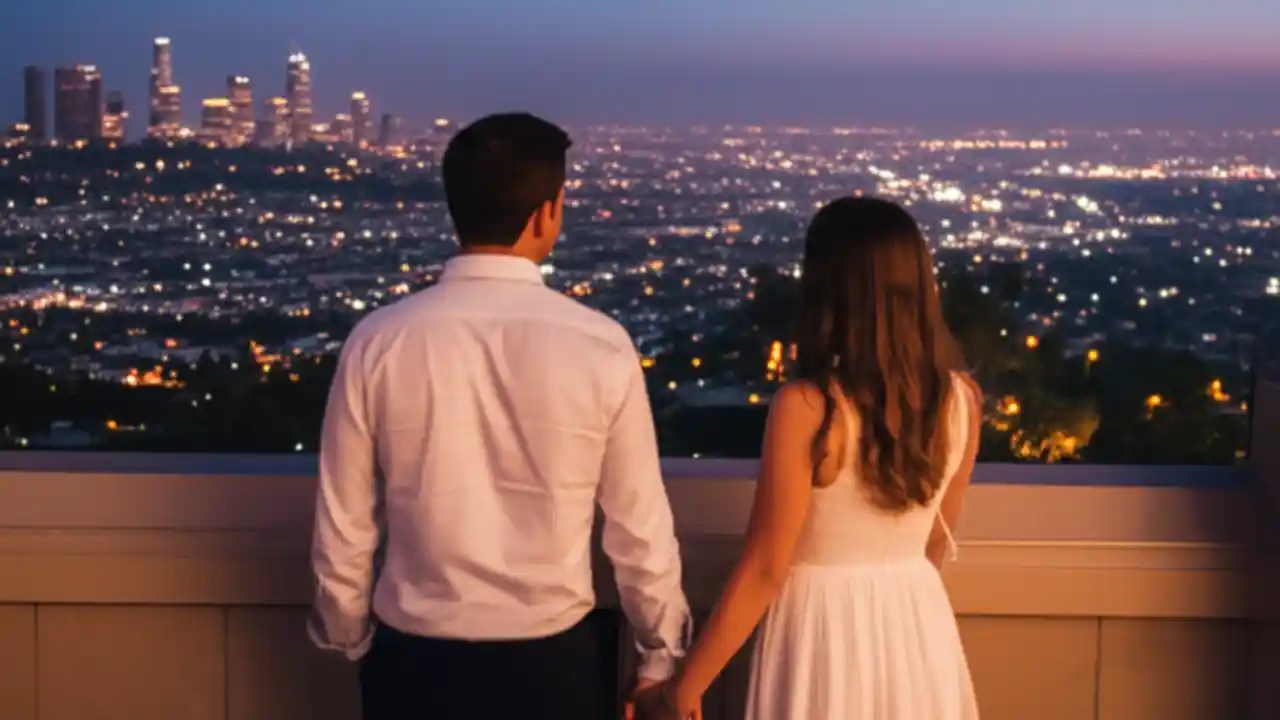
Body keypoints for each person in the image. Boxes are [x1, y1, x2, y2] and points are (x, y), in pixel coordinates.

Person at [309, 112, 691, 720]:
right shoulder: (600, 344)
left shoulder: (378, 341)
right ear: (547, 213)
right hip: (553, 664)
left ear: (455, 205)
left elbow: (345, 524)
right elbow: (638, 527)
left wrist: (353, 636)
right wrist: (658, 658)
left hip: (413, 661)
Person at [637, 197, 982, 720]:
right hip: (917, 627)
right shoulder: (960, 401)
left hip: (822, 635)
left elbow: (766, 568)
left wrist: (686, 687)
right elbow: (938, 538)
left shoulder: (810, 408)